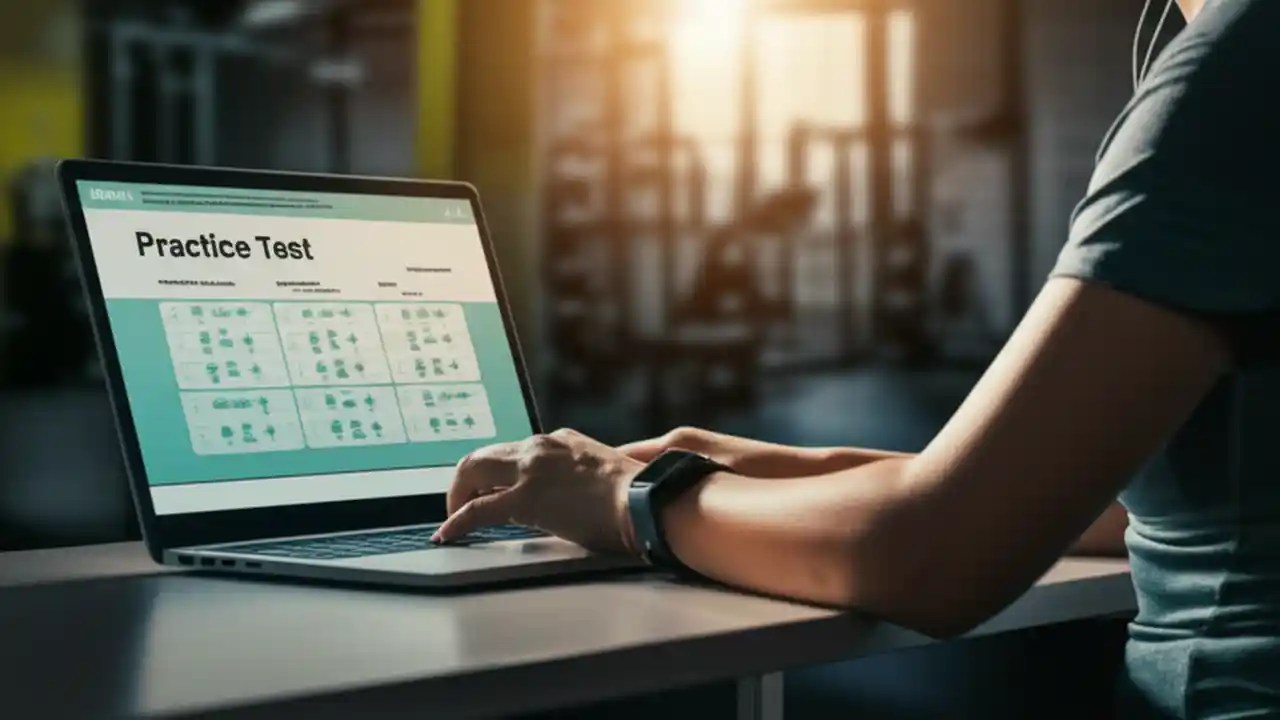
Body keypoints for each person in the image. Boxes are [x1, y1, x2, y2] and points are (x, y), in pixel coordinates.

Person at [436, 0, 1280, 715]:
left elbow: (942, 557)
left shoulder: (1237, 69)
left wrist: (630, 498)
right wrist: (788, 473)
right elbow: (1128, 506)